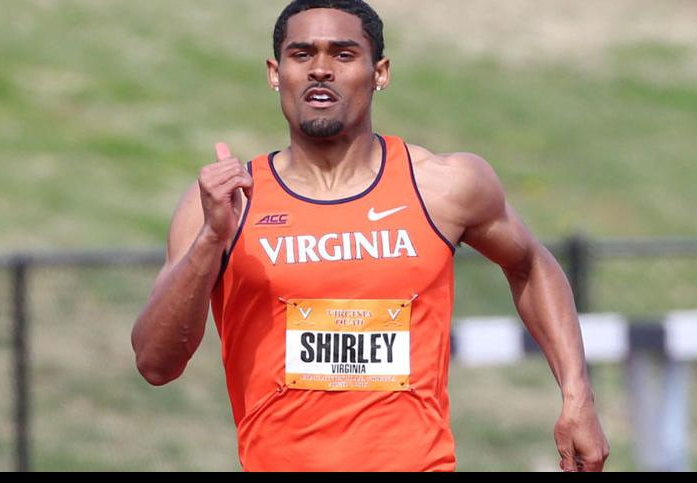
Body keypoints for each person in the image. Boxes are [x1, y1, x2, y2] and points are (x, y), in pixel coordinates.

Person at [132, 0, 609, 472]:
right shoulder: (225, 203)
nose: (321, 69)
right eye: (302, 55)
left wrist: (576, 396)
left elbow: (531, 264)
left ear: (379, 72)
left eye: (342, 54)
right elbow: (156, 363)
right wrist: (212, 240)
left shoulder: (442, 186)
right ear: (275, 73)